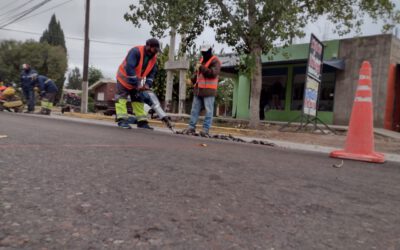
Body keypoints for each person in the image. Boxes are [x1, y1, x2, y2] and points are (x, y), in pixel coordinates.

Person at [115, 38, 160, 129]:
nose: (156, 52)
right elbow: (130, 68)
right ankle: (122, 121)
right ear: (148, 46)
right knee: (121, 99)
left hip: (136, 80)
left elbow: (152, 73)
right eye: (154, 49)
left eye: (157, 50)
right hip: (124, 78)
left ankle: (142, 122)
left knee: (138, 100)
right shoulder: (135, 51)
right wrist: (137, 84)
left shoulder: (153, 59)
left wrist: (147, 85)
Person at [182, 44, 221, 136]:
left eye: (205, 52)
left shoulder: (215, 61)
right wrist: (192, 80)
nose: (204, 53)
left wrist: (201, 67)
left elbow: (212, 74)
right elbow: (198, 75)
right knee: (194, 110)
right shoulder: (201, 60)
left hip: (209, 91)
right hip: (198, 90)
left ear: (210, 50)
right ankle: (191, 127)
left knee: (209, 111)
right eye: (202, 52)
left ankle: (205, 129)